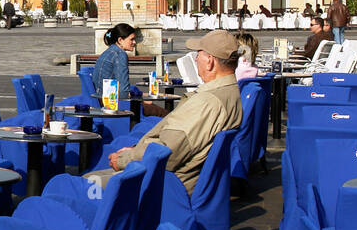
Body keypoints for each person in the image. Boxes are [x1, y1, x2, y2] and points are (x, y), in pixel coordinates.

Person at [88, 31, 244, 195]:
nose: (196, 59)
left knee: (80, 185)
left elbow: (166, 152)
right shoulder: (230, 93)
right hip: (184, 181)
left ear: (210, 62)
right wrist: (134, 150)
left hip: (162, 185)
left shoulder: (206, 103)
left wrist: (124, 159)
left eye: (198, 54)